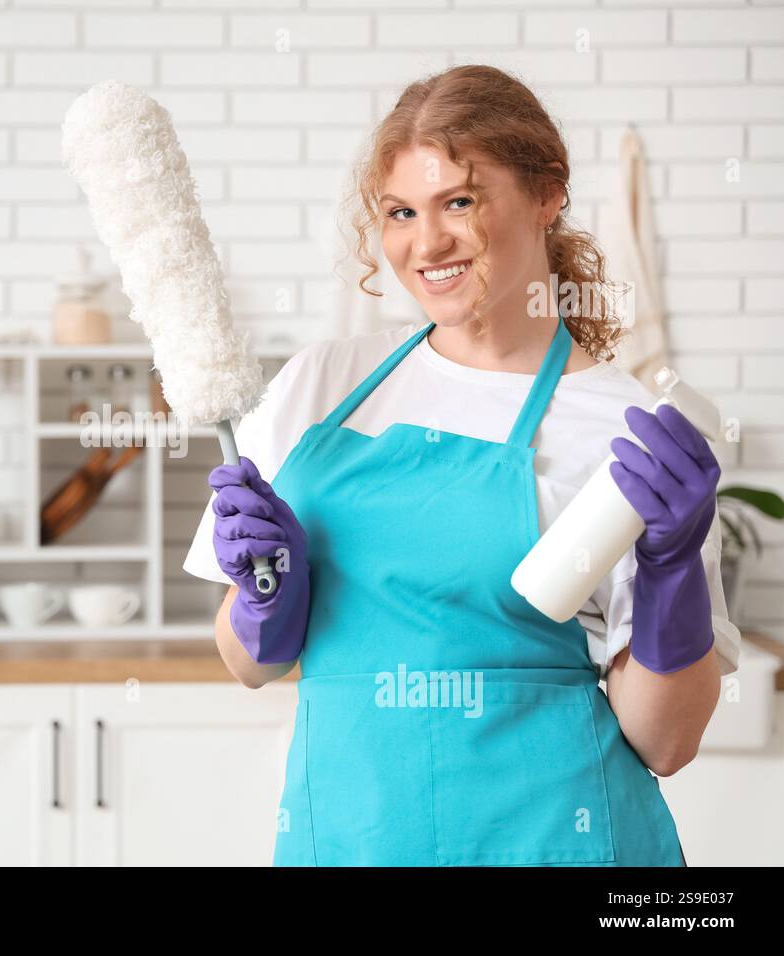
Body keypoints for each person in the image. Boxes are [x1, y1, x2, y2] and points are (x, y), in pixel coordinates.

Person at [180, 65, 740, 867]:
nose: (427, 241)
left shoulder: (631, 434)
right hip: (348, 841)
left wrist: (672, 571)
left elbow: (666, 742)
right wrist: (267, 599)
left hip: (557, 842)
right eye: (402, 211)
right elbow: (248, 664)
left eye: (461, 203)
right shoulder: (319, 386)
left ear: (549, 194)